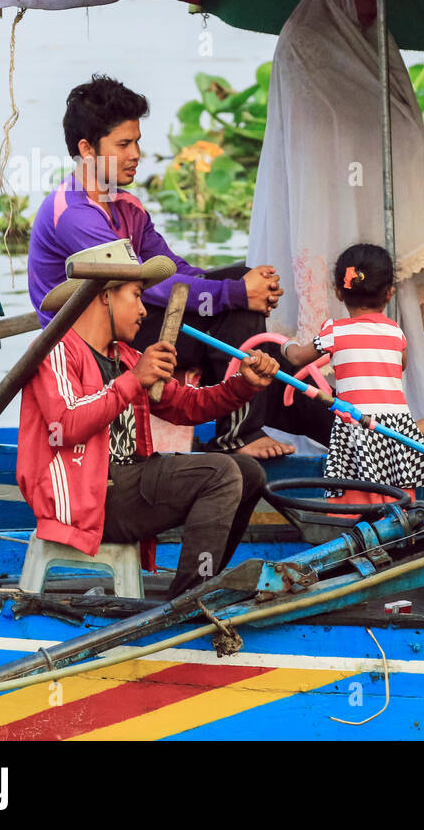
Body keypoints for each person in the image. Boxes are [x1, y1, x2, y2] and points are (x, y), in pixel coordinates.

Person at [27, 74, 330, 459]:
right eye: (123, 144)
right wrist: (235, 292)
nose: (136, 153)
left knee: (247, 306)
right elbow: (144, 286)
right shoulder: (74, 215)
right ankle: (238, 436)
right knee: (236, 299)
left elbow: (171, 269)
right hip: (90, 346)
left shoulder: (126, 205)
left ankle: (350, 434)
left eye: (136, 141)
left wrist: (236, 284)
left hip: (129, 321)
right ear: (87, 149)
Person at [248, 0, 424, 437]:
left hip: (381, 224)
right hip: (325, 210)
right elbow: (315, 143)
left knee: (384, 315)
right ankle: (324, 433)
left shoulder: (378, 44)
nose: (376, 7)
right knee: (335, 324)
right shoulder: (303, 45)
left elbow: (403, 125)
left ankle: (404, 427)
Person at [17, 239, 281, 598]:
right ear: (105, 296)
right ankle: (189, 599)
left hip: (126, 484)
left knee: (249, 473)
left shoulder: (124, 356)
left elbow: (187, 406)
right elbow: (65, 426)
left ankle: (205, 581)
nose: (144, 310)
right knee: (219, 474)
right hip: (87, 500)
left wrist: (241, 386)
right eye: (137, 295)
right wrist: (133, 381)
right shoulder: (55, 349)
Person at [281, 244, 424, 506]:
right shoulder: (396, 332)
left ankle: (350, 527)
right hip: (395, 426)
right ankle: (401, 524)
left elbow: (299, 358)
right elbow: (399, 366)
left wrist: (286, 344)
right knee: (398, 485)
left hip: (356, 424)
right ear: (390, 293)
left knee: (351, 490)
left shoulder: (333, 331)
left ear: (338, 291)